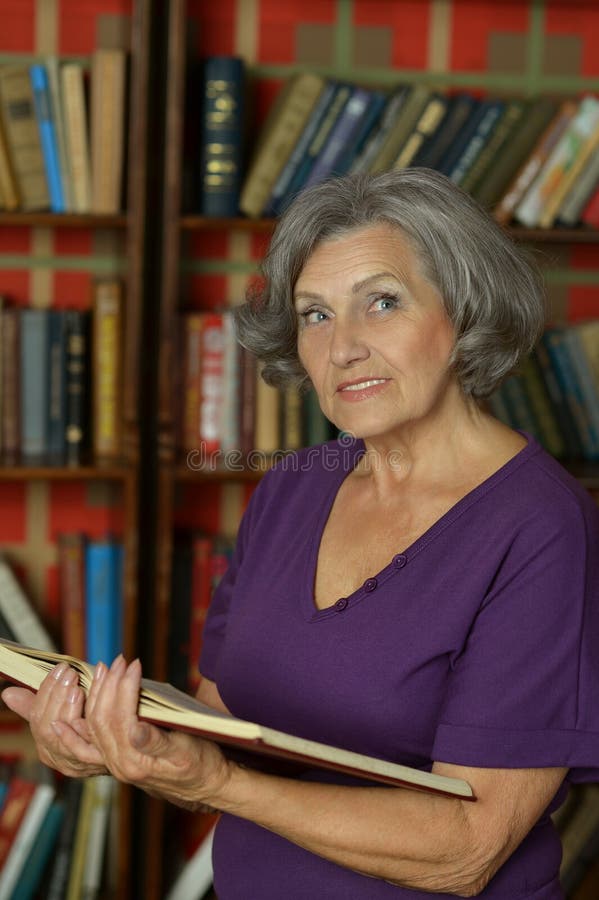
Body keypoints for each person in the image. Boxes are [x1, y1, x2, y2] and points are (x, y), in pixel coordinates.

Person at [3, 168, 599, 899]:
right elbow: (216, 731)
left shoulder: (543, 529)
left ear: (464, 313)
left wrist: (218, 782)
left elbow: (468, 852)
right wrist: (118, 745)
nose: (341, 347)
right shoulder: (294, 483)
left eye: (381, 302)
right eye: (315, 315)